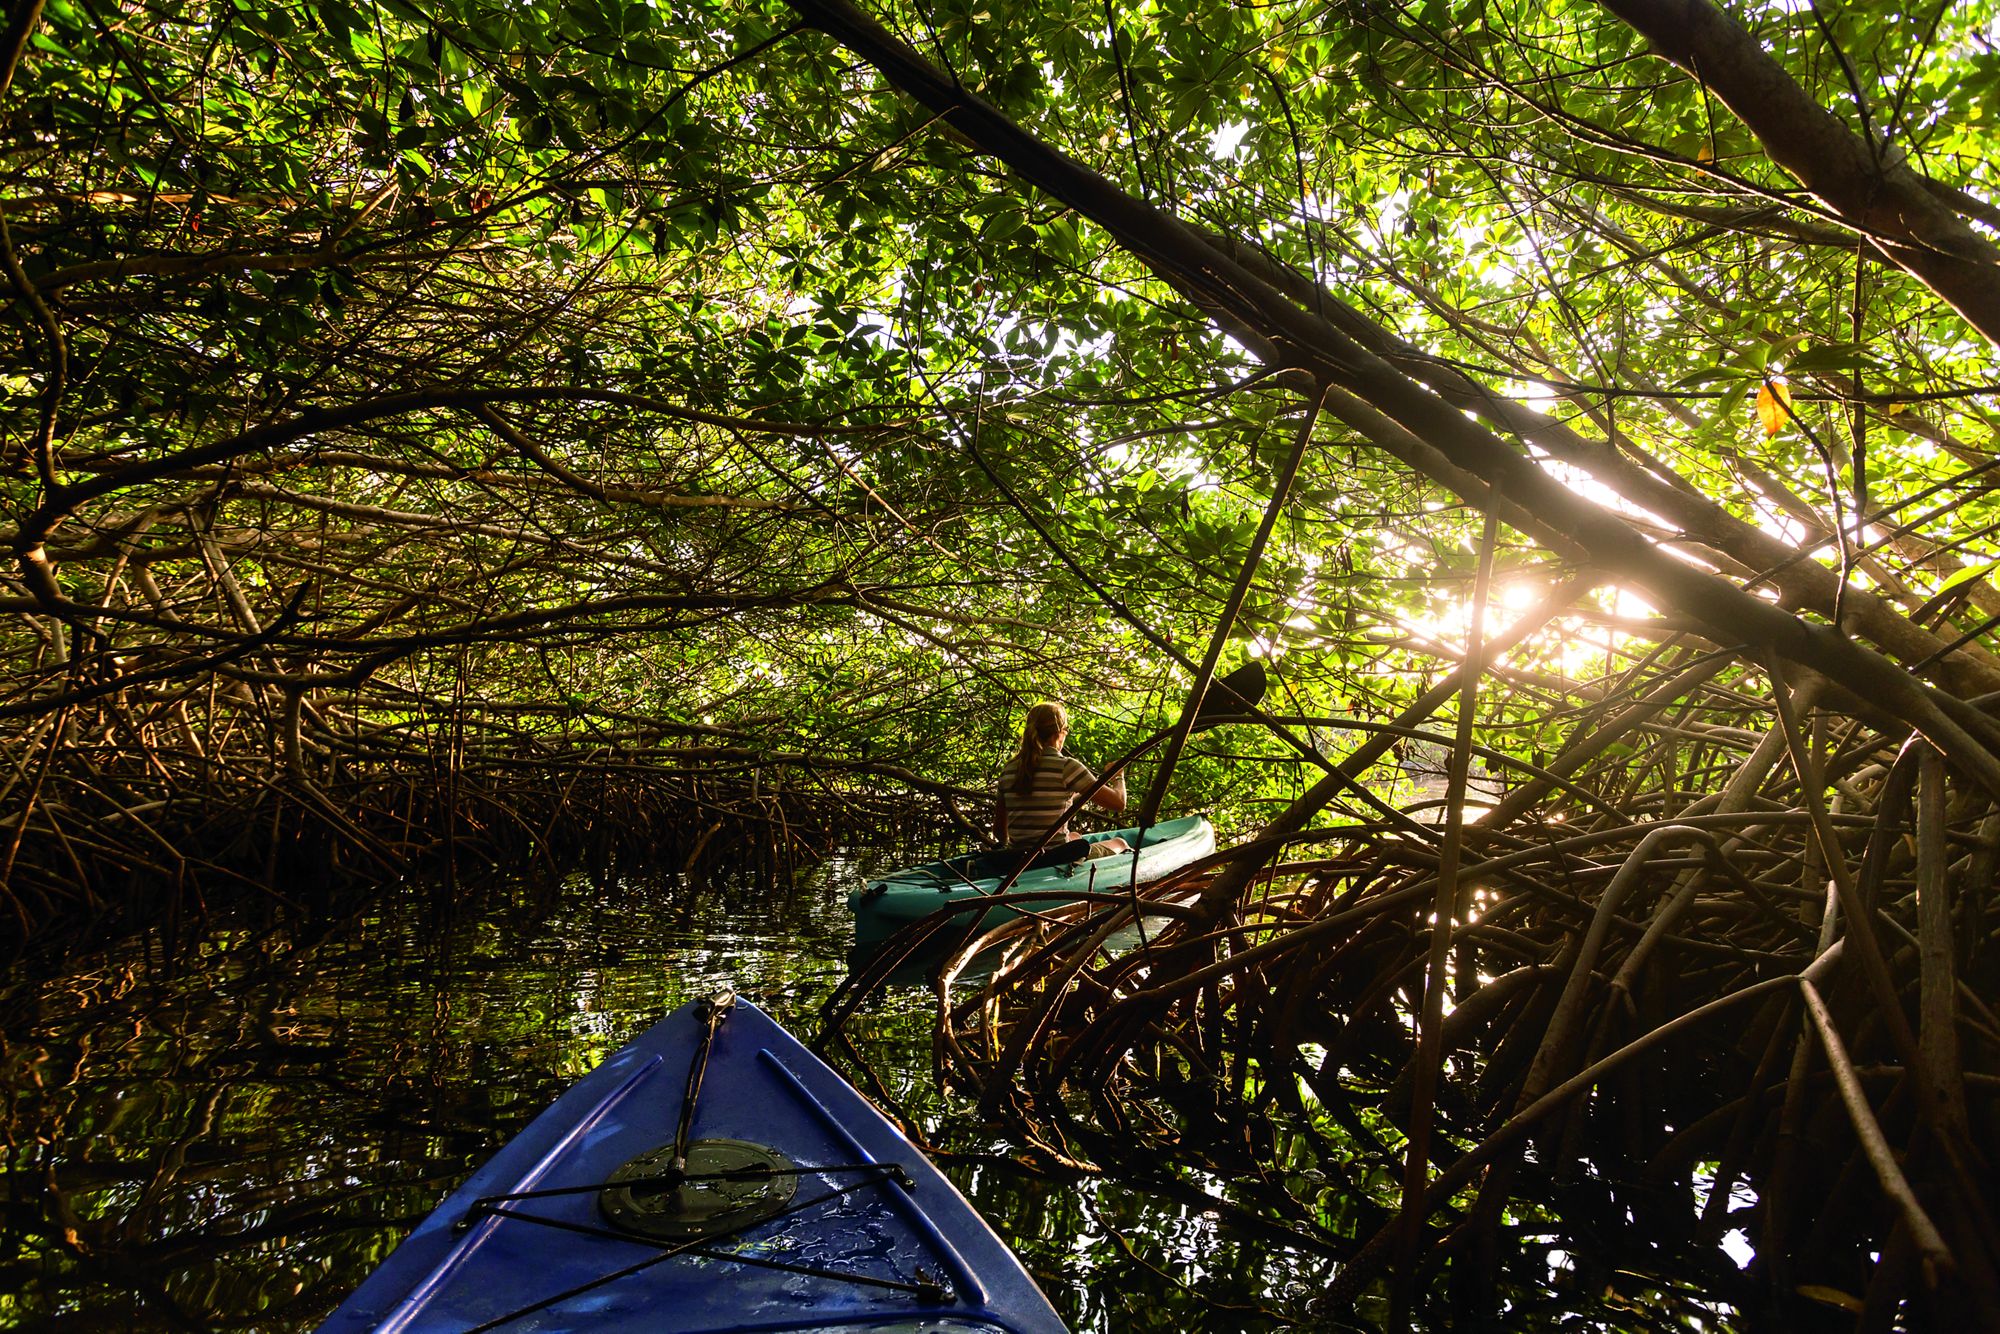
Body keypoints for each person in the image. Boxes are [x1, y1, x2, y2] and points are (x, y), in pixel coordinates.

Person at [995, 701, 1130, 867]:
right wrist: (1118, 776)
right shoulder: (1066, 766)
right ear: (1059, 732)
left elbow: (1000, 833)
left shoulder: (1009, 769)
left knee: (1074, 835)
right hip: (1054, 858)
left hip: (1018, 859)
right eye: (1066, 730)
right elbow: (1119, 803)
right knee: (1119, 843)